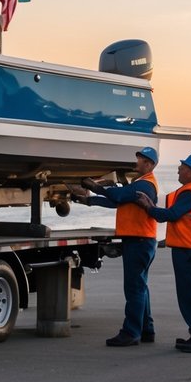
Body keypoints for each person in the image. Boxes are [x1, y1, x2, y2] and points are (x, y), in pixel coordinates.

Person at [73, 147, 160, 347]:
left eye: (140, 159)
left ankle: (131, 333)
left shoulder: (145, 185)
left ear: (149, 164)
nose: (136, 162)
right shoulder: (141, 183)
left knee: (134, 289)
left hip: (139, 242)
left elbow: (119, 195)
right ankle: (146, 330)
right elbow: (116, 202)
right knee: (140, 287)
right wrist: (89, 200)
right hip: (141, 241)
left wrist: (95, 187)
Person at [136, 153, 191, 353]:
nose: (179, 169)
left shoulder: (190, 192)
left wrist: (149, 207)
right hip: (190, 248)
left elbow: (171, 215)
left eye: (183, 167)